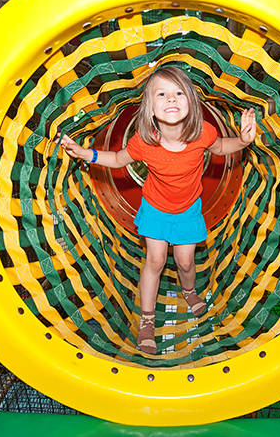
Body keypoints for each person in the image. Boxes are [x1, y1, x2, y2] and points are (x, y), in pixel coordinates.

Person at [59, 66, 256, 354]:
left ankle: (189, 291)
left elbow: (222, 146)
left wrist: (243, 140)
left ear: (190, 101)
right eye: (161, 94)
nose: (171, 99)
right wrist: (87, 153)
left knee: (186, 262)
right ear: (150, 108)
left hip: (188, 209)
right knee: (156, 259)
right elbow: (117, 159)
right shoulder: (145, 142)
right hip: (155, 208)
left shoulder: (202, 133)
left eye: (178, 93)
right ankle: (147, 320)